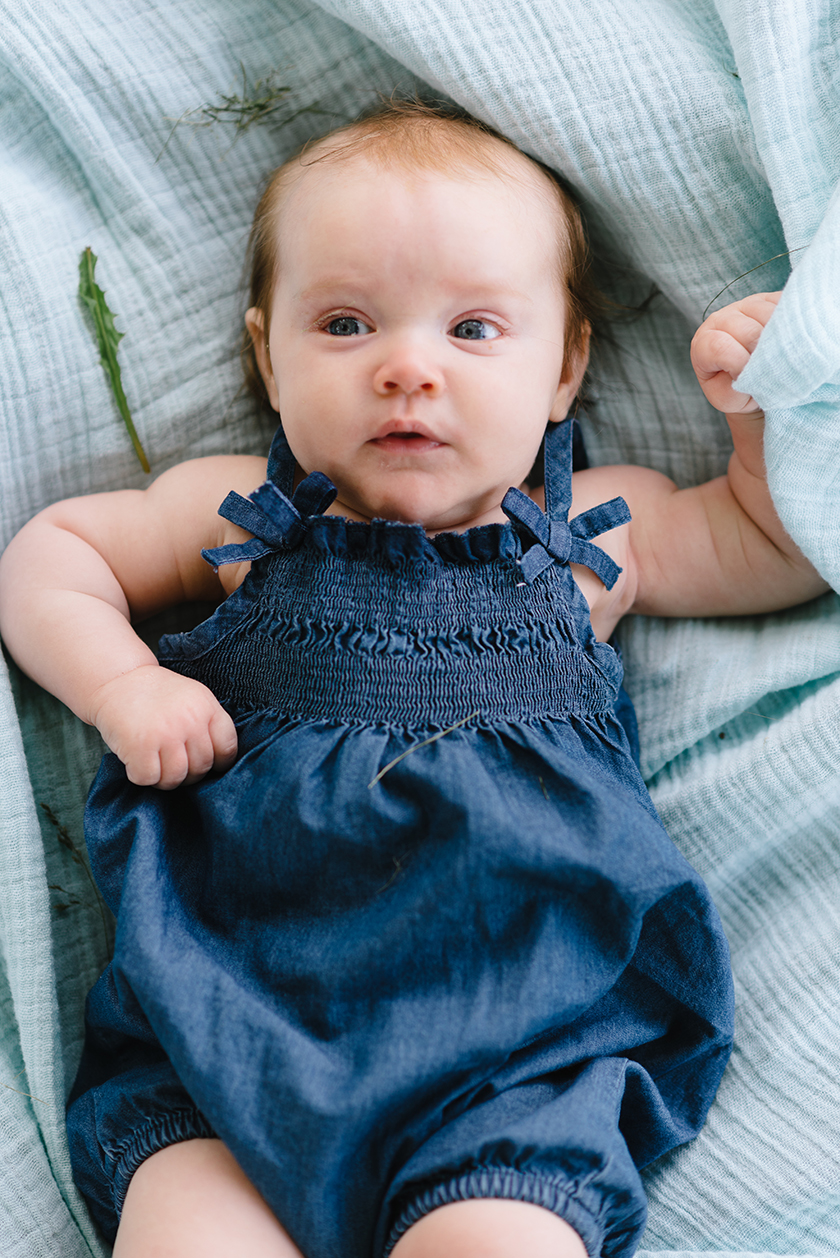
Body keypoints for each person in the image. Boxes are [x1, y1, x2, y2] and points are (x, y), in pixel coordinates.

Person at [0, 101, 827, 1258]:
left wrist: (755, 415)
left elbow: (775, 545)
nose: (406, 369)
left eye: (475, 329)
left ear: (566, 366)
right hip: (231, 1028)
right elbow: (52, 554)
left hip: (517, 1060)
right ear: (265, 354)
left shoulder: (588, 534)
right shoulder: (243, 521)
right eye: (346, 322)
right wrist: (121, 686)